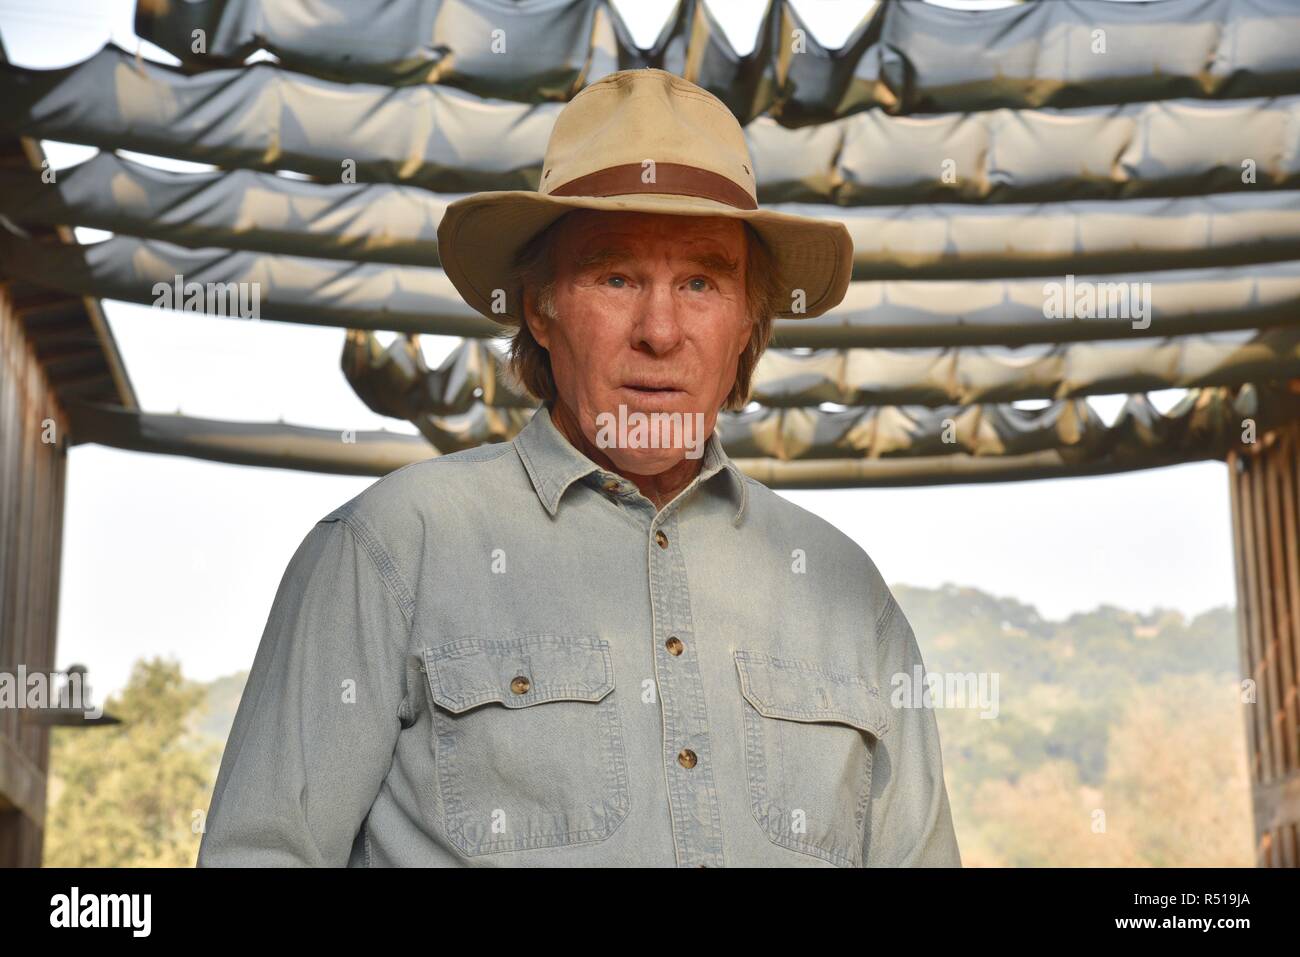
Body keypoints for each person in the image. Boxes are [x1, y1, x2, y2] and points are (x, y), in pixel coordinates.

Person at [198, 68, 961, 867]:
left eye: (701, 280)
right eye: (615, 275)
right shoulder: (392, 548)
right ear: (541, 306)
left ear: (747, 321)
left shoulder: (845, 593)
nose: (660, 331)